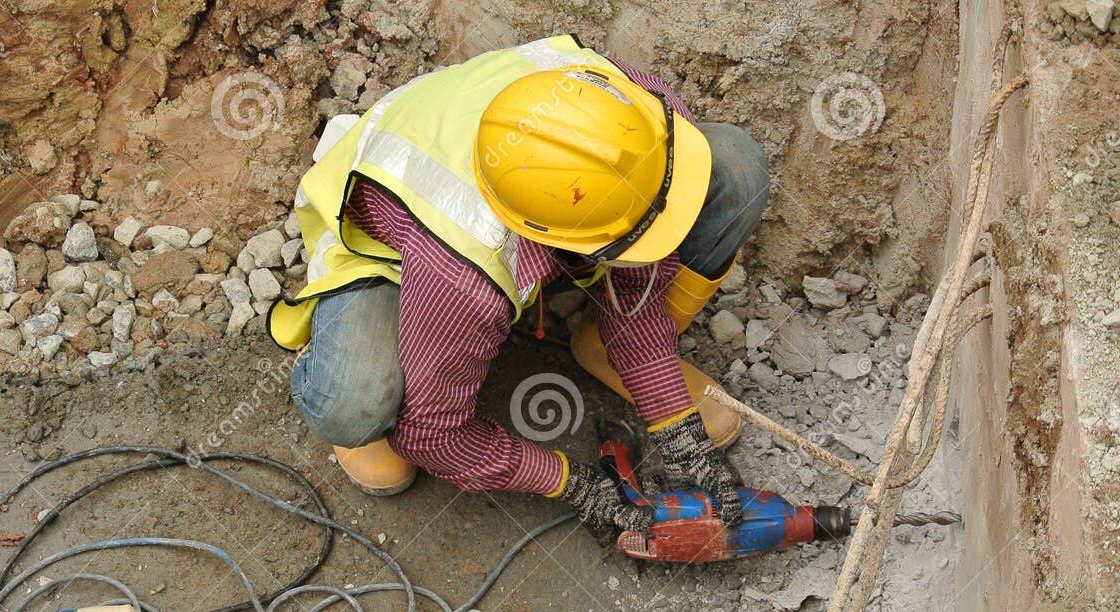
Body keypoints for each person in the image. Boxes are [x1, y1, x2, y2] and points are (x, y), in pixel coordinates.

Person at [269, 35, 769, 542]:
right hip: (387, 236)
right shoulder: (466, 272)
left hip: (475, 153)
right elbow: (432, 435)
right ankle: (340, 357)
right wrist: (571, 483)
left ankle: (597, 345)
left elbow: (633, 270)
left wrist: (677, 428)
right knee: (353, 406)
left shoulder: (634, 110)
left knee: (734, 166)